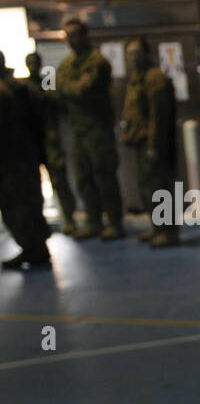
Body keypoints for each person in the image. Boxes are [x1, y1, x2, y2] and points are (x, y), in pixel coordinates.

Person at [56, 18, 124, 242]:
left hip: (97, 128)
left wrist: (68, 87)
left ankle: (114, 222)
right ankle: (93, 221)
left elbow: (82, 90)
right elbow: (62, 87)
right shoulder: (67, 64)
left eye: (74, 35)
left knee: (104, 176)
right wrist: (69, 87)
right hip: (78, 130)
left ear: (85, 36)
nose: (70, 40)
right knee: (83, 177)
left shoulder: (98, 62)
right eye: (67, 36)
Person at [120, 38, 178, 247]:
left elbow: (158, 117)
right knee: (147, 189)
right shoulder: (136, 79)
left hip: (153, 144)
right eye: (129, 55)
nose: (132, 59)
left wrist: (154, 146)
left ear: (146, 54)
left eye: (136, 53)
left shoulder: (155, 79)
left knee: (159, 187)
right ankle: (157, 227)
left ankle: (169, 231)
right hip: (140, 142)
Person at [0, 51, 51, 270]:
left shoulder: (6, 90)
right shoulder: (18, 86)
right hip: (24, 154)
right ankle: (35, 248)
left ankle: (33, 249)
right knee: (29, 202)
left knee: (17, 205)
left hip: (11, 158)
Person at [24, 52, 79, 233]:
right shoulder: (22, 87)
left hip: (50, 139)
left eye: (36, 62)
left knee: (59, 180)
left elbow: (57, 104)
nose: (33, 66)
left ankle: (69, 218)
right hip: (31, 141)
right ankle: (37, 223)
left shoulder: (48, 82)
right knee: (32, 185)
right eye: (30, 63)